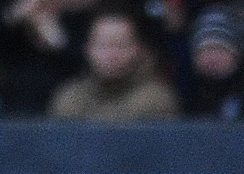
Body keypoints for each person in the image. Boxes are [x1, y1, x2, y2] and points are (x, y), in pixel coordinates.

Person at [46, 12, 179, 122]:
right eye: (102, 46)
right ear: (88, 49)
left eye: (120, 45)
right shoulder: (69, 99)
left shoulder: (157, 100)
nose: (111, 55)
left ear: (137, 49)